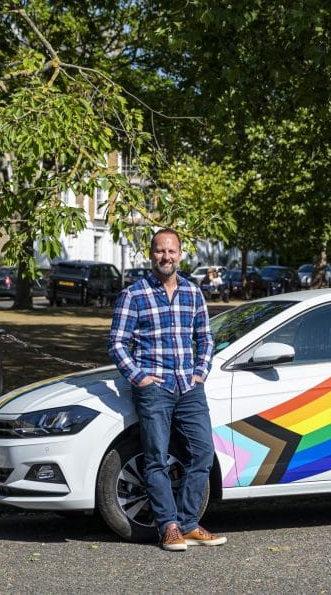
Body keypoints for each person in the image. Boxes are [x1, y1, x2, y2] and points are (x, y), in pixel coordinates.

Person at [108, 228, 226, 551]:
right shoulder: (134, 295)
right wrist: (141, 379)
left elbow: (206, 338)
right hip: (154, 388)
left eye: (172, 251)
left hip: (189, 387)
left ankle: (188, 523)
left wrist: (199, 373)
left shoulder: (192, 292)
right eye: (160, 251)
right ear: (151, 255)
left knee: (202, 453)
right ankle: (168, 527)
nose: (166, 257)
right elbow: (118, 344)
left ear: (180, 254)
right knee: (156, 458)